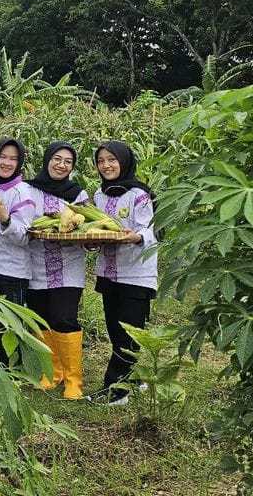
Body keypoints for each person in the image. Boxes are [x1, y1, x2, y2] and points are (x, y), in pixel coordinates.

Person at [92, 141, 158, 406]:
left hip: (136, 273)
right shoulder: (99, 195)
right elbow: (96, 228)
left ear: (124, 161)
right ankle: (134, 381)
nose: (106, 165)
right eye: (101, 161)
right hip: (109, 272)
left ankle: (116, 391)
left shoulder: (139, 195)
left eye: (112, 160)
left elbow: (150, 230)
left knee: (128, 333)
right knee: (115, 330)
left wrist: (135, 236)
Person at [25, 142, 90, 400]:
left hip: (68, 266)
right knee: (41, 319)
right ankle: (51, 373)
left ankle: (73, 380)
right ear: (47, 160)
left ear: (72, 167)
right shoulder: (29, 189)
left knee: (64, 318)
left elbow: (87, 226)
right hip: (36, 265)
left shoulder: (78, 194)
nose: (61, 165)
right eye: (57, 159)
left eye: (68, 162)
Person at [0, 138, 35, 365]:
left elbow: (25, 237)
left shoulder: (23, 193)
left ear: (19, 163)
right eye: (3, 157)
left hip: (12, 272)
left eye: (13, 159)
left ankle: (10, 372)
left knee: (9, 327)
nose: (6, 163)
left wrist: (5, 219)